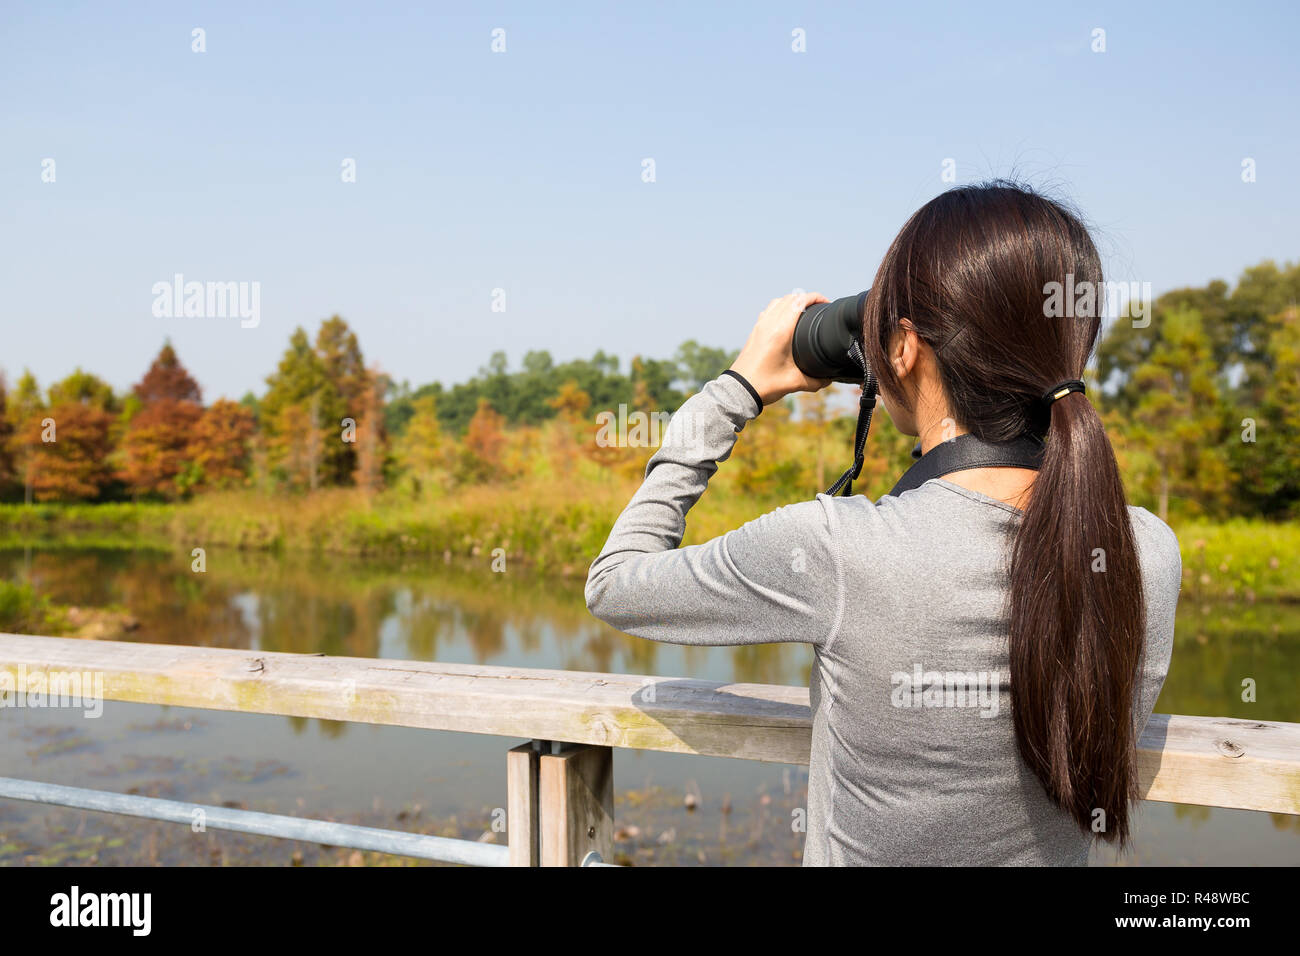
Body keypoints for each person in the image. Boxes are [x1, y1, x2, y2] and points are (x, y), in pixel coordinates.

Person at [585, 181, 1182, 866]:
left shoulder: (838, 549)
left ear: (903, 347)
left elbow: (615, 583)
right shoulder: (1147, 552)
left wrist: (735, 390)